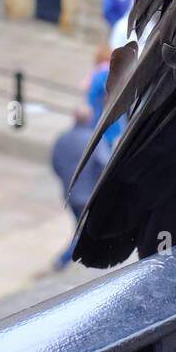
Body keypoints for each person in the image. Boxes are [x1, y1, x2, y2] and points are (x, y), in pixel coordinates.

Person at [49, 102, 112, 270]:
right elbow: (106, 165)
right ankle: (62, 261)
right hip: (89, 197)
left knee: (81, 229)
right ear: (90, 118)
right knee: (85, 233)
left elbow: (55, 164)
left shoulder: (61, 139)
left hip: (70, 195)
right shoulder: (94, 140)